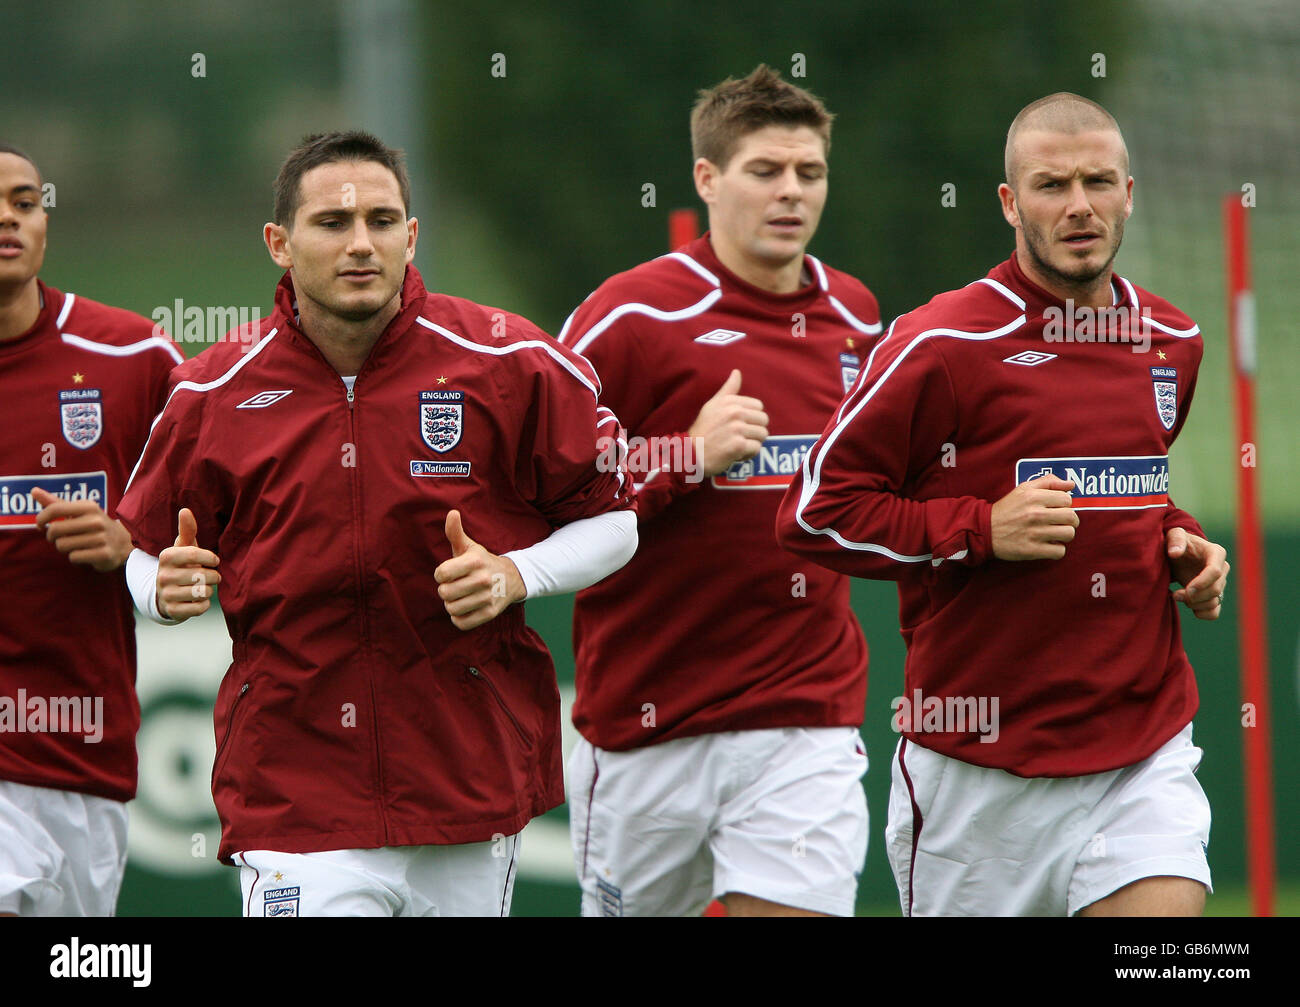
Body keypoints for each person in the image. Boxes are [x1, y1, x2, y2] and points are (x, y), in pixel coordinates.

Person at [114, 131, 637, 917]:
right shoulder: (213, 390)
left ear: (411, 235)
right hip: (294, 794)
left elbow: (615, 522)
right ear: (279, 243)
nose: (362, 243)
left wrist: (514, 574)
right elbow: (139, 551)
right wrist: (163, 586)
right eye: (333, 223)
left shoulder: (509, 361)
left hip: (465, 785)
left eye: (383, 220)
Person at [777, 93, 1229, 917]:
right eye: (1052, 185)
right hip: (977, 771)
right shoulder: (941, 343)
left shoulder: (1175, 341)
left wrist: (1184, 541)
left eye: (1098, 181)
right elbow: (814, 510)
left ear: (1131, 191)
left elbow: (1128, 489)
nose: (1080, 205)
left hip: (1141, 749)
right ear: (1010, 203)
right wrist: (980, 529)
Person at [557, 65, 881, 917]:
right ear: (707, 179)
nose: (791, 193)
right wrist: (685, 454)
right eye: (764, 171)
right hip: (647, 722)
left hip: (805, 714)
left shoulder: (858, 318)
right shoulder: (630, 317)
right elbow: (548, 493)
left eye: (809, 173)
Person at [0, 144, 183, 916]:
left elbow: (220, 510)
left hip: (82, 749)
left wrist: (128, 542)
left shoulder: (132, 357)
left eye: (24, 201)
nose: (7, 218)